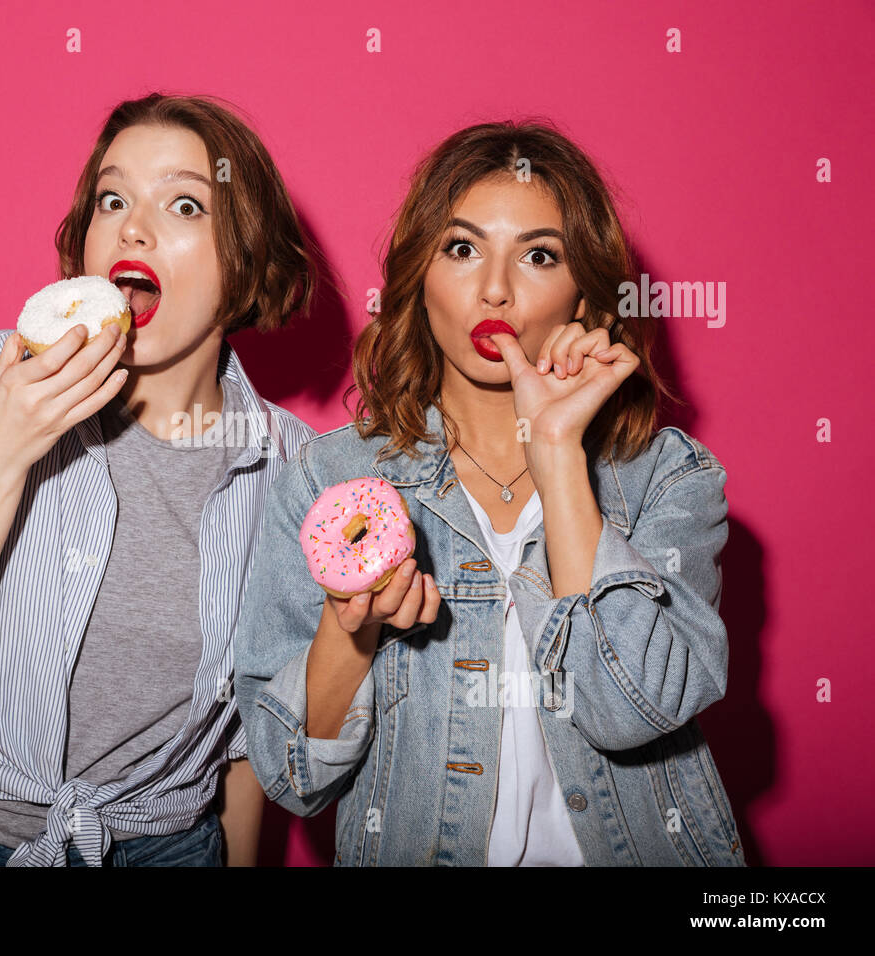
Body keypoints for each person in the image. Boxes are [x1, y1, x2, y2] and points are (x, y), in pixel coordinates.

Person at [233, 120, 746, 866]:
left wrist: (559, 454)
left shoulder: (669, 478)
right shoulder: (330, 481)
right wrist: (354, 632)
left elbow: (632, 711)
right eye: (462, 248)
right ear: (420, 275)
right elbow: (290, 775)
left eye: (538, 255)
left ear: (586, 298)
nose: (495, 288)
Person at [0, 92, 324, 866]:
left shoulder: (293, 466)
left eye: (183, 204)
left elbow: (244, 748)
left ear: (247, 261)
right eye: (113, 198)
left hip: (171, 848)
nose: (133, 227)